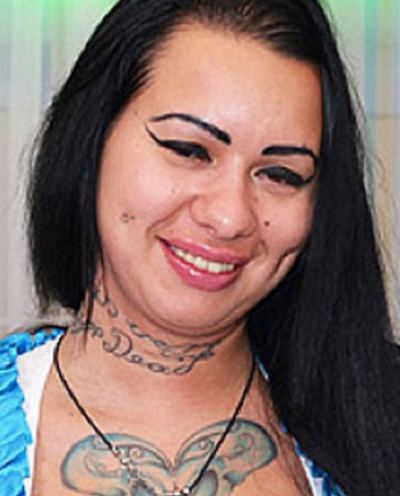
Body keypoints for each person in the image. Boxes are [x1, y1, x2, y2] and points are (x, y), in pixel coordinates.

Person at [0, 0, 399, 495]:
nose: (230, 217)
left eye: (280, 175)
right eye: (189, 150)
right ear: (91, 140)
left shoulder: (382, 418)